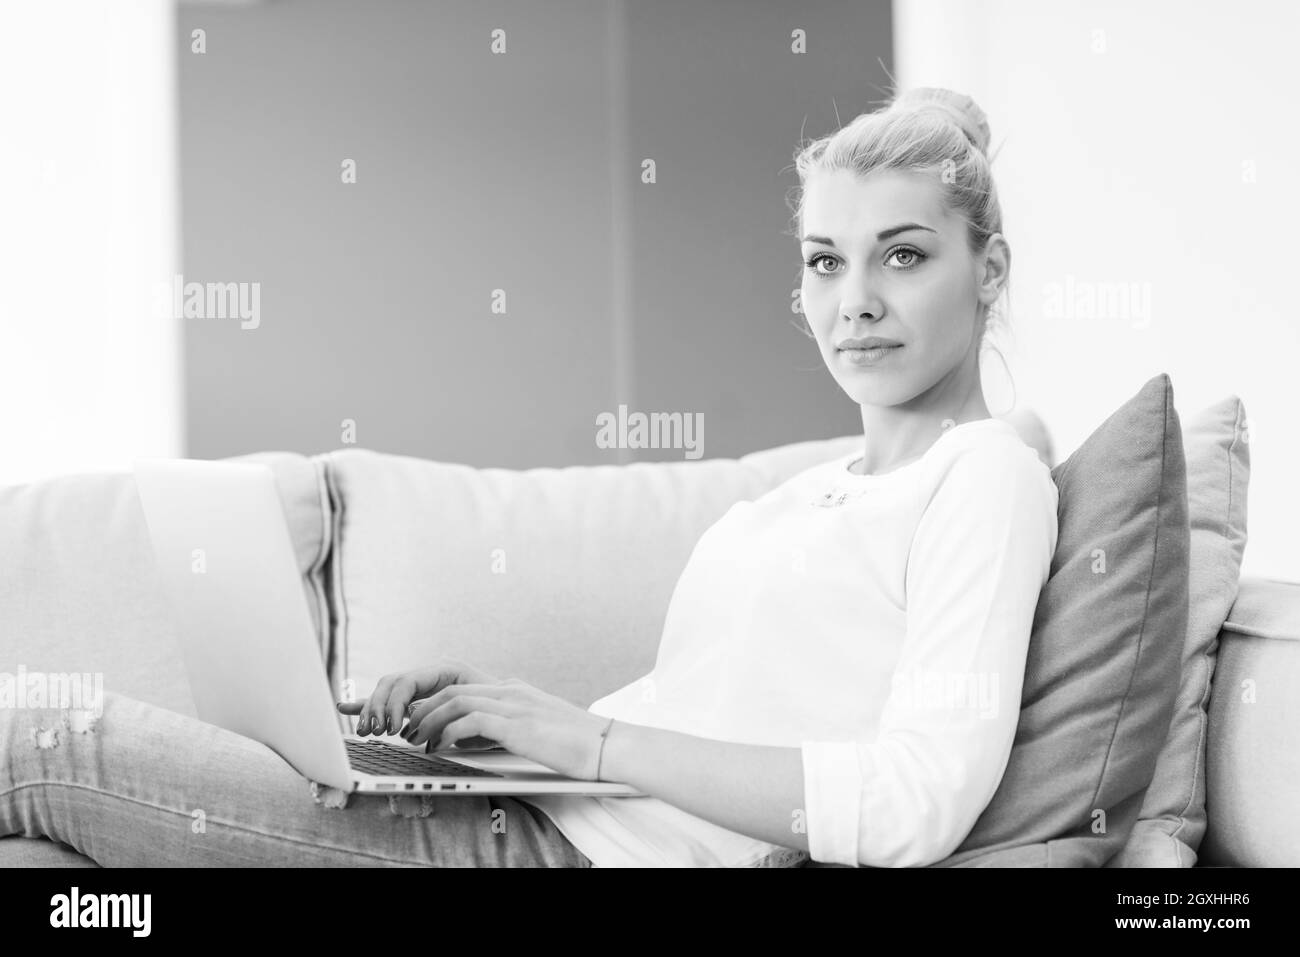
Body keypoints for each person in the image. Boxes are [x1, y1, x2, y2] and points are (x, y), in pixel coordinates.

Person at [0, 86, 1057, 868]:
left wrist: (587, 742)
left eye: (903, 255)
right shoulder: (806, 491)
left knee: (43, 738)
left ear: (990, 272)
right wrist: (508, 724)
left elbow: (918, 803)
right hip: (532, 815)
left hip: (560, 860)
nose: (854, 299)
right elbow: (709, 721)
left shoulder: (986, 479)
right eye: (825, 260)